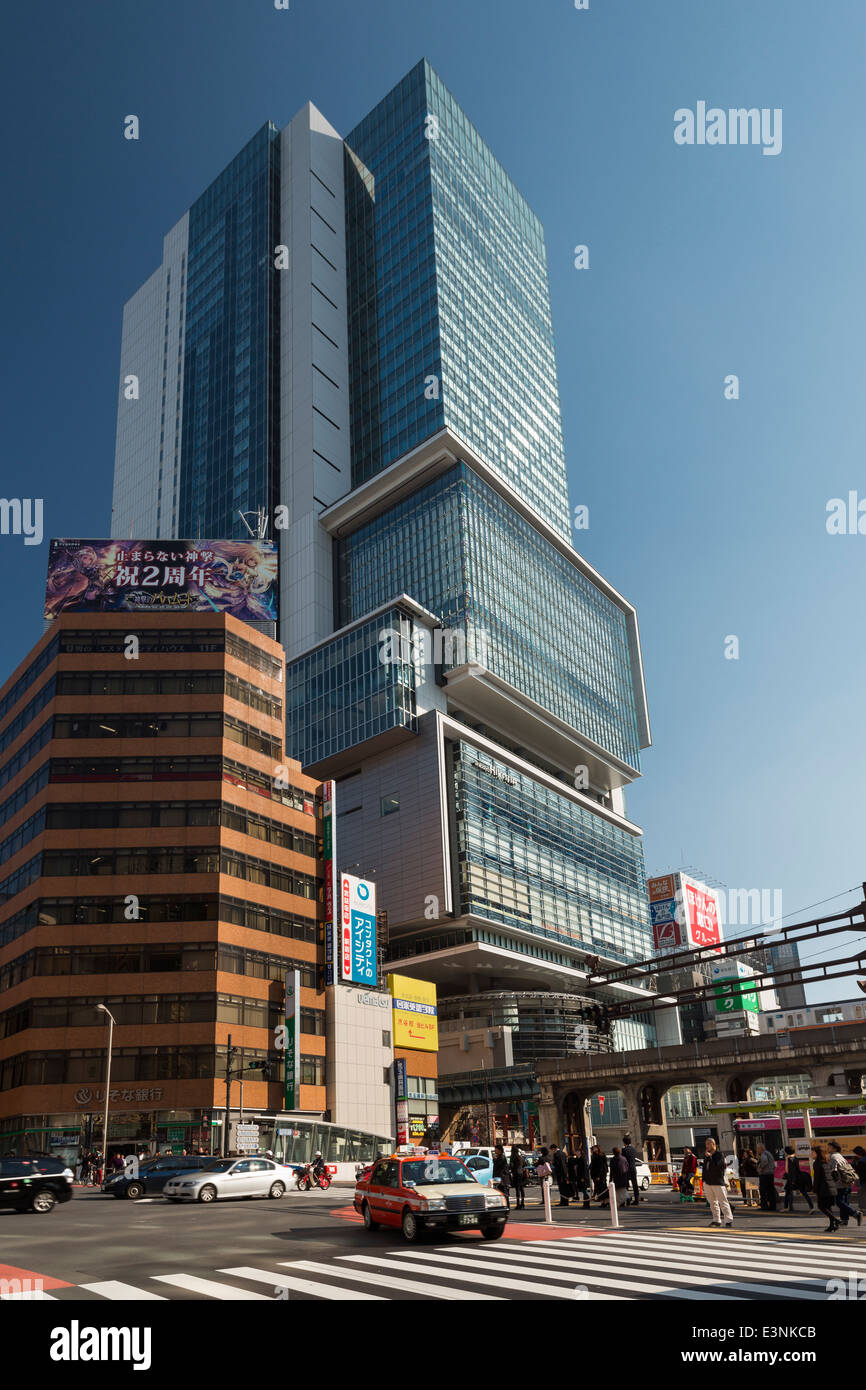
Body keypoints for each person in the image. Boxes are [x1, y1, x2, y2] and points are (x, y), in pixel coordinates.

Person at [828, 1141, 861, 1227]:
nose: (828, 1149)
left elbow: (833, 1171)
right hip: (848, 1182)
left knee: (839, 1202)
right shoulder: (840, 1156)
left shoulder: (833, 1157)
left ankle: (856, 1214)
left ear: (834, 1148)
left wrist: (830, 1183)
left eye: (829, 1147)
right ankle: (844, 1220)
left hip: (840, 1184)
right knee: (845, 1202)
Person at [702, 1138, 733, 1228]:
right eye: (706, 1144)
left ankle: (728, 1220)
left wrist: (710, 1157)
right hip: (708, 1182)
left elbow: (718, 1166)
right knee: (712, 1202)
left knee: (723, 1201)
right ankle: (716, 1220)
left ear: (713, 1144)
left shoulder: (719, 1155)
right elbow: (705, 1168)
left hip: (717, 1182)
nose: (706, 1146)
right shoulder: (706, 1156)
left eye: (708, 1144)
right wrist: (704, 1179)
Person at [812, 1145, 841, 1232]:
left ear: (817, 1153)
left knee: (821, 1206)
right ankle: (832, 1226)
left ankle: (836, 1220)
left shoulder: (817, 1163)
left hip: (823, 1188)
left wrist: (815, 1189)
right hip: (831, 1187)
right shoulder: (826, 1161)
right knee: (828, 1207)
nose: (811, 1154)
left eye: (812, 1152)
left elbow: (817, 1178)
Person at [783, 1146, 814, 1213]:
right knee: (803, 1193)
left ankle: (786, 1207)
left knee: (788, 1192)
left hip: (793, 1179)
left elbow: (789, 1171)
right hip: (799, 1178)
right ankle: (812, 1207)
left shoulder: (789, 1159)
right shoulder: (795, 1158)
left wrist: (793, 1180)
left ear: (786, 1152)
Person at [756, 1144, 778, 1211]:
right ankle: (772, 1206)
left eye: (757, 1148)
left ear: (761, 1149)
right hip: (770, 1174)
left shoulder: (764, 1154)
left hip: (765, 1175)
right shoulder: (768, 1153)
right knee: (770, 1191)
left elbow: (765, 1161)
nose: (757, 1150)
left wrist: (761, 1168)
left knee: (763, 1191)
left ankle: (764, 1206)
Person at [622, 1133, 641, 1206]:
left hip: (626, 1169)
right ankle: (637, 1199)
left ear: (624, 1142)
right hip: (633, 1168)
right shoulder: (633, 1149)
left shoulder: (624, 1150)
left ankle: (628, 1199)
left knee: (626, 1185)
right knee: (635, 1184)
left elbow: (623, 1160)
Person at [492, 1143, 511, 1210]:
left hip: (502, 1179)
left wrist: (494, 1160)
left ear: (499, 1150)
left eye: (496, 1149)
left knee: (504, 1193)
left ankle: (506, 1207)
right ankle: (504, 1206)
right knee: (501, 1193)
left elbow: (499, 1167)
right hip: (500, 1178)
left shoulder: (501, 1158)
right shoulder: (500, 1157)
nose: (495, 1151)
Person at [509, 1144, 526, 1210]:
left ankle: (518, 1204)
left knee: (517, 1189)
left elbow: (511, 1166)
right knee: (522, 1189)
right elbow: (525, 1164)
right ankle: (523, 1203)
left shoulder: (512, 1157)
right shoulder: (520, 1157)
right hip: (521, 1173)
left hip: (516, 1173)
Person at [853, 1146, 866, 1219]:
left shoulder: (862, 1161)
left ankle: (862, 1208)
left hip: (864, 1181)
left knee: (861, 1194)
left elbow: (859, 1171)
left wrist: (854, 1165)